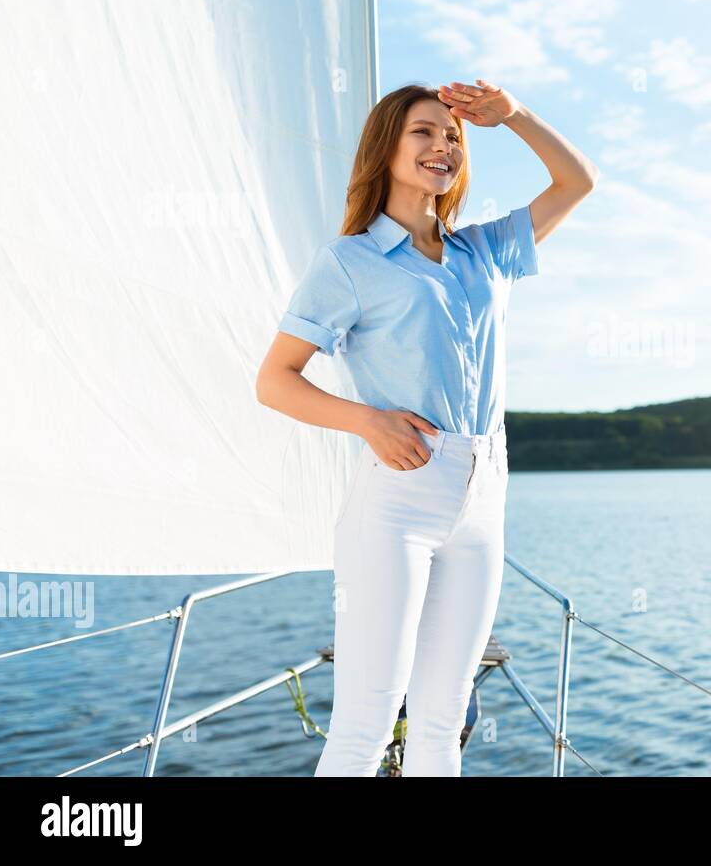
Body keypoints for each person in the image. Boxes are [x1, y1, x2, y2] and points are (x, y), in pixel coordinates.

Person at [256, 80, 598, 775]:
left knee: (442, 720)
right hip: (397, 499)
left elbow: (578, 181)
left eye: (453, 136)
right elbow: (275, 381)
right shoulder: (348, 263)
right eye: (424, 131)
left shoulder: (487, 252)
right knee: (366, 724)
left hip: (483, 498)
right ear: (386, 147)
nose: (443, 144)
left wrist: (516, 116)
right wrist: (368, 422)